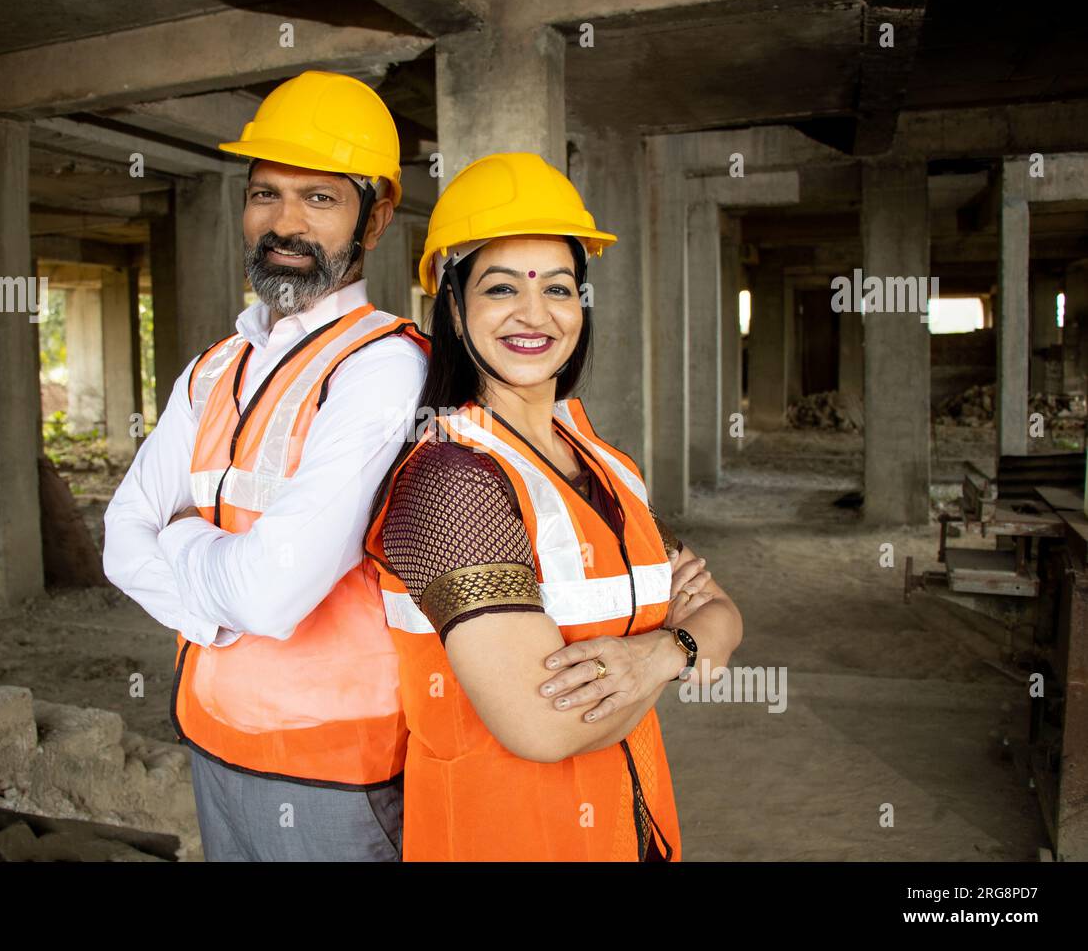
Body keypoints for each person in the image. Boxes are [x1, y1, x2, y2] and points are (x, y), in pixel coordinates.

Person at [364, 152, 743, 861]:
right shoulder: (451, 481)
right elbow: (542, 728)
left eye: (560, 289)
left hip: (634, 832)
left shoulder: (604, 460)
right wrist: (679, 649)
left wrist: (658, 653)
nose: (534, 314)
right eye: (501, 288)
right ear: (452, 305)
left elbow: (725, 617)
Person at [103, 70, 428, 861]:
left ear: (375, 217)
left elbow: (274, 593)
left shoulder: (383, 367)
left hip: (336, 772)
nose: (284, 223)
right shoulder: (214, 368)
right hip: (213, 737)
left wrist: (178, 544)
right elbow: (117, 541)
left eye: (319, 198)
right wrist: (226, 598)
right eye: (265, 194)